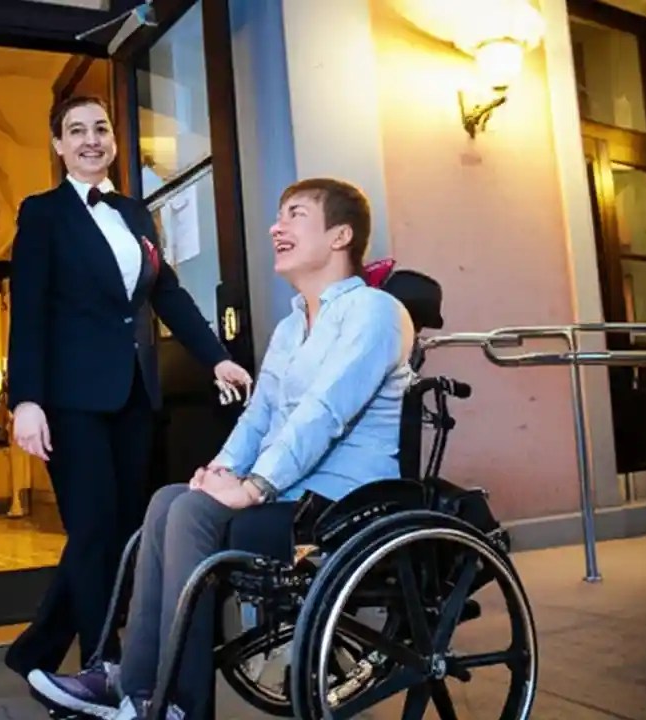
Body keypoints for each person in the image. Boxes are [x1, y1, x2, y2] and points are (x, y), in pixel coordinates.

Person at [27, 178, 416, 719]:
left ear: (340, 235)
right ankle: (132, 687)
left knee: (189, 513)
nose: (276, 227)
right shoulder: (290, 326)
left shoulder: (374, 312)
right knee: (171, 498)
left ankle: (176, 705)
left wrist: (255, 485)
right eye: (278, 215)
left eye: (295, 215)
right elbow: (259, 417)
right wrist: (219, 471)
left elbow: (324, 412)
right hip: (295, 490)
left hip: (343, 501)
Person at [3, 95, 253, 680]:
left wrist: (216, 358)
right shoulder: (42, 213)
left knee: (118, 531)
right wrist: (26, 399)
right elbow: (29, 312)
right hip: (71, 400)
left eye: (101, 128)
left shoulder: (137, 215)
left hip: (136, 395)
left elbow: (167, 294)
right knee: (92, 530)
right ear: (58, 145)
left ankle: (36, 652)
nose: (91, 139)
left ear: (114, 139)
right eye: (76, 131)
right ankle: (103, 661)